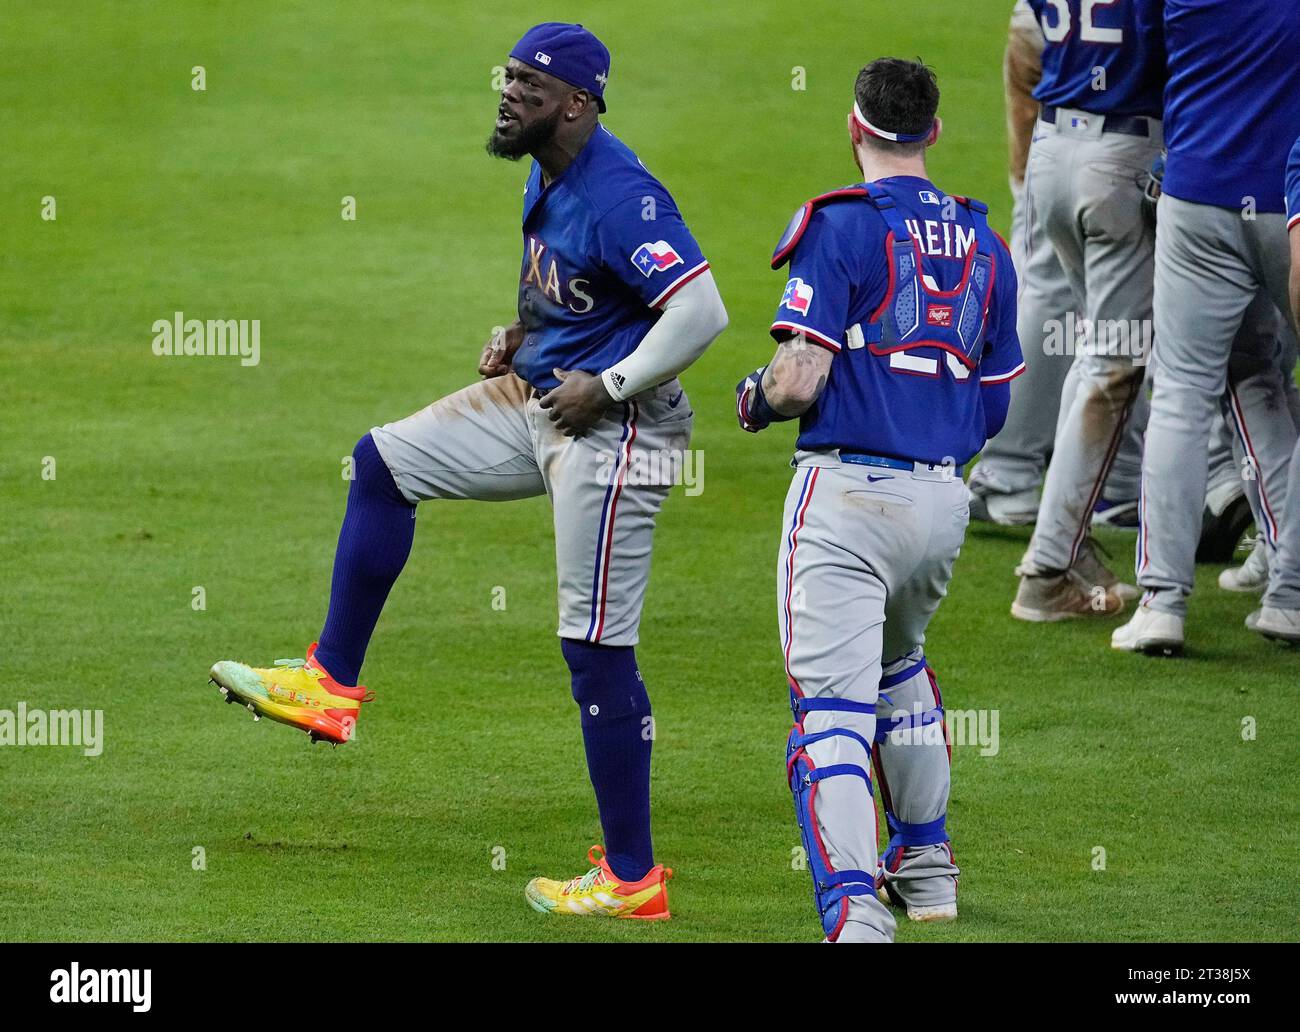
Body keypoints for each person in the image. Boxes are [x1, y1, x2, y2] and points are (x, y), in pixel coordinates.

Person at [207, 22, 728, 917]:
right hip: (539, 400)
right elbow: (585, 289)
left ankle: (633, 881)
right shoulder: (549, 164)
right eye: (508, 77)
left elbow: (702, 311)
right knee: (384, 462)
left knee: (595, 645)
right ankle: (329, 685)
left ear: (577, 102)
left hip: (618, 432)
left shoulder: (622, 195)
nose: (508, 94)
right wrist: (527, 333)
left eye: (529, 83)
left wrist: (605, 384)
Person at [736, 58, 1022, 942]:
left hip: (847, 501)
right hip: (941, 503)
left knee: (829, 715)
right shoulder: (988, 243)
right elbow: (996, 402)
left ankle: (857, 912)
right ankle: (929, 873)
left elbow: (798, 376)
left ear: (854, 127)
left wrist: (754, 398)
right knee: (902, 674)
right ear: (933, 132)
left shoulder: (840, 226)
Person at [1113, 0, 1300, 654]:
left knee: (1183, 395)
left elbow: (1136, 66)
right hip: (1292, 204)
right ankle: (1292, 593)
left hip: (1199, 191)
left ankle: (1162, 602)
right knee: (1264, 382)